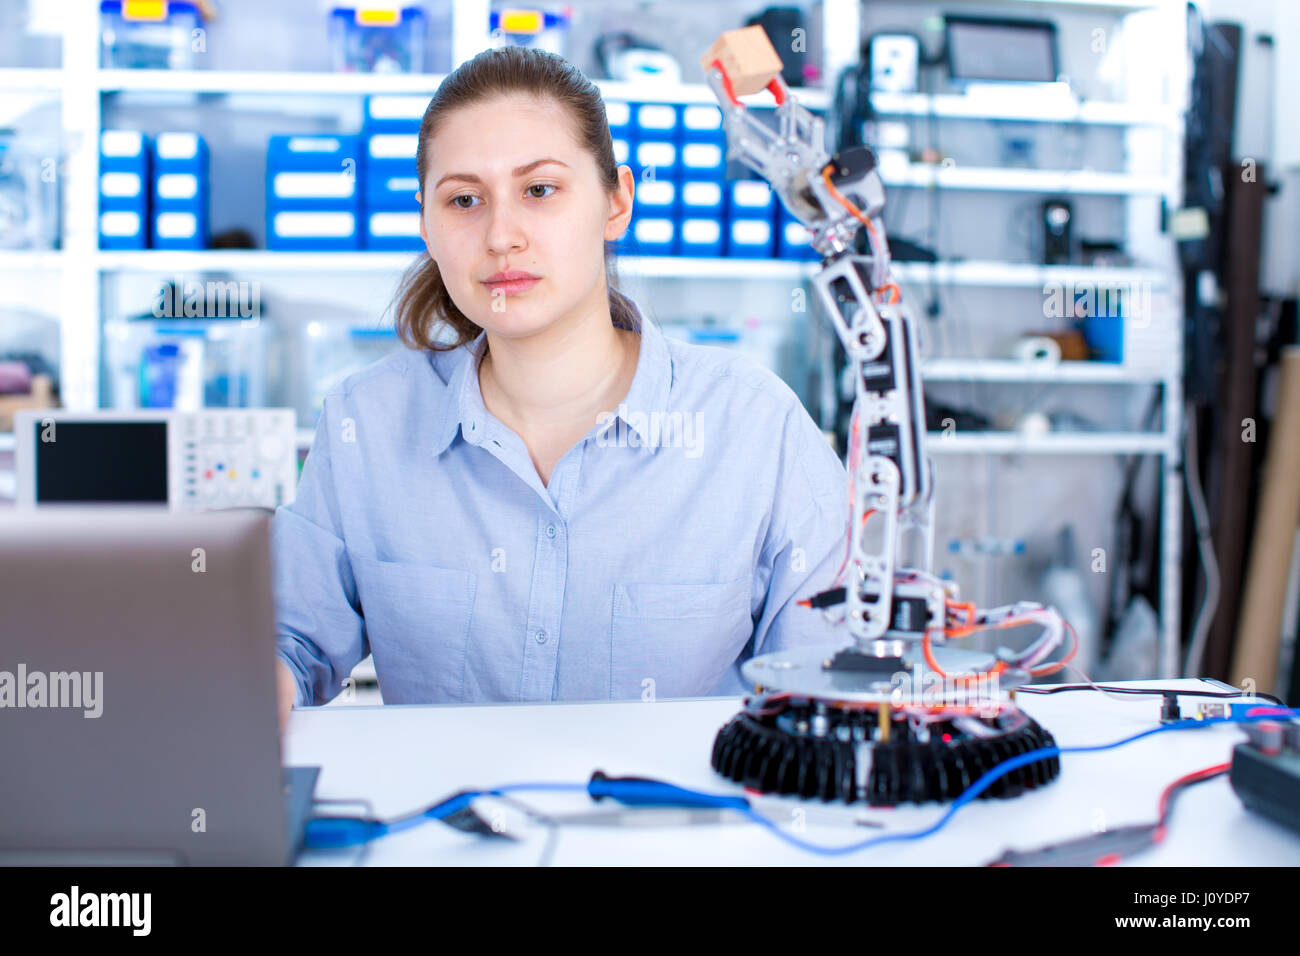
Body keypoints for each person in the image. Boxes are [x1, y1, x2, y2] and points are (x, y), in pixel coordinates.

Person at [273, 45, 849, 728]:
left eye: (540, 190)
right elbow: (288, 641)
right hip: (442, 833)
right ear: (426, 225)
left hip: (682, 832)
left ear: (616, 204)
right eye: (464, 200)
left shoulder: (755, 427)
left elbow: (828, 691)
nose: (501, 236)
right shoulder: (363, 422)